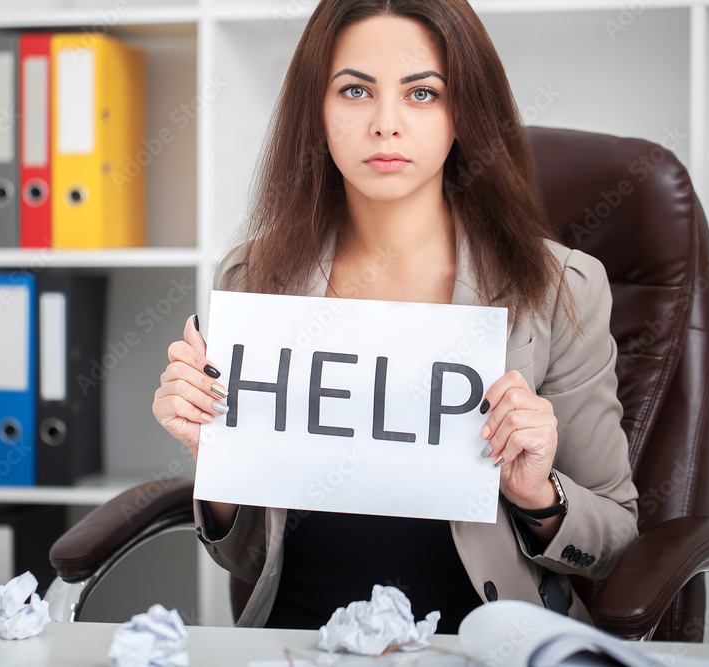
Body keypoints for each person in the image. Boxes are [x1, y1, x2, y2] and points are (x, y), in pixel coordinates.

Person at [152, 0, 638, 633]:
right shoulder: (254, 279)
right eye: (355, 90)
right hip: (298, 641)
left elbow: (615, 540)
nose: (386, 124)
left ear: (464, 112)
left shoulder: (558, 289)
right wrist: (213, 461)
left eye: (422, 94)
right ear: (316, 111)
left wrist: (538, 496)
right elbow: (247, 558)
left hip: (482, 643)